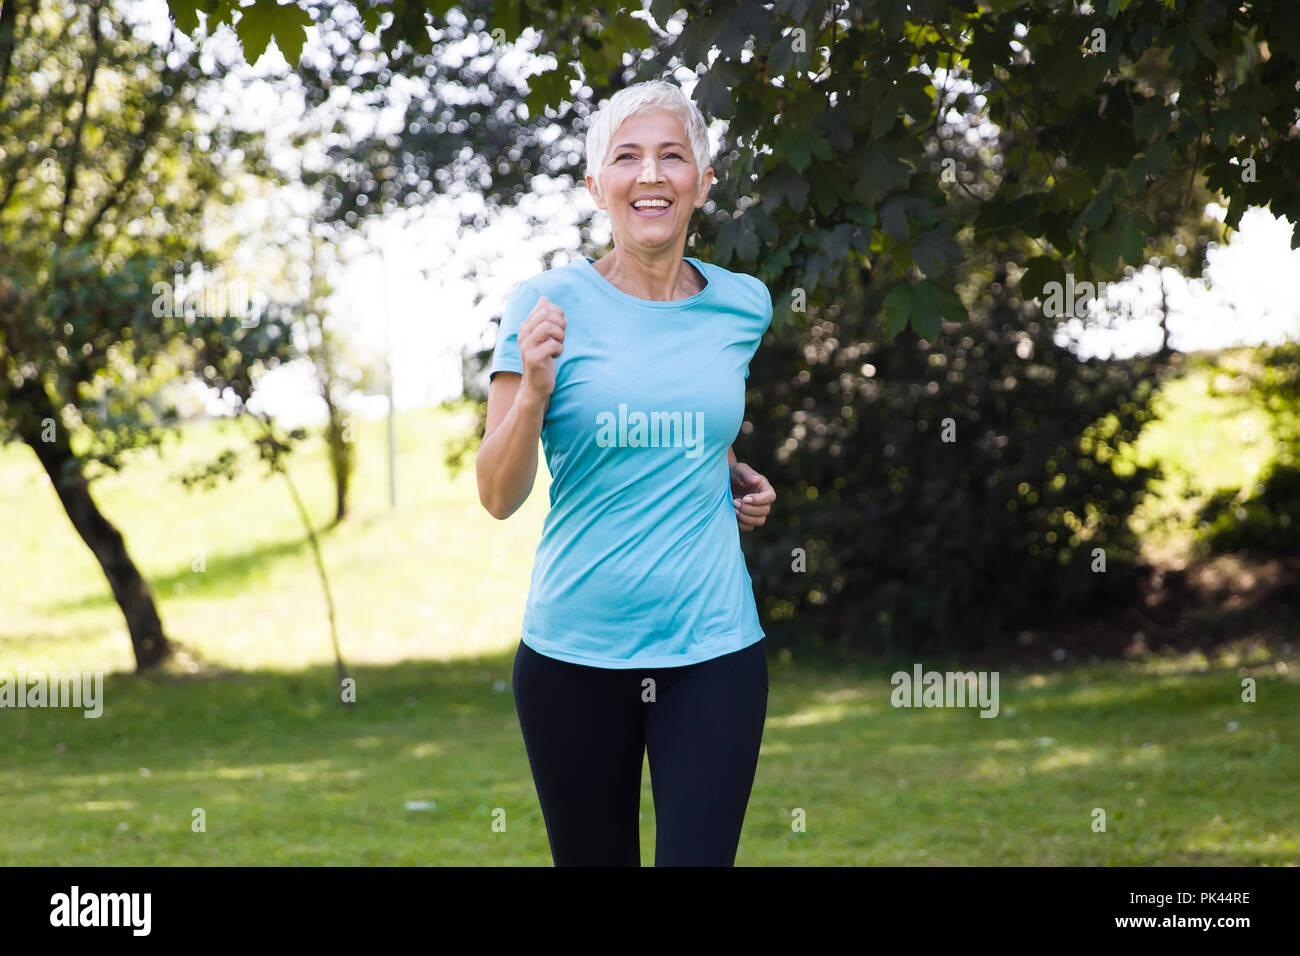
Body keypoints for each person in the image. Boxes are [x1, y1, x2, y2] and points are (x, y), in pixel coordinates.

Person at [475, 78, 776, 866]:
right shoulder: (544, 304)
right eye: (628, 157)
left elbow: (702, 428)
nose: (651, 175)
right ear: (596, 184)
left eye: (672, 157)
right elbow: (498, 495)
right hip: (574, 659)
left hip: (713, 653)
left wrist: (738, 476)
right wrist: (535, 391)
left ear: (702, 183)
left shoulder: (743, 305)